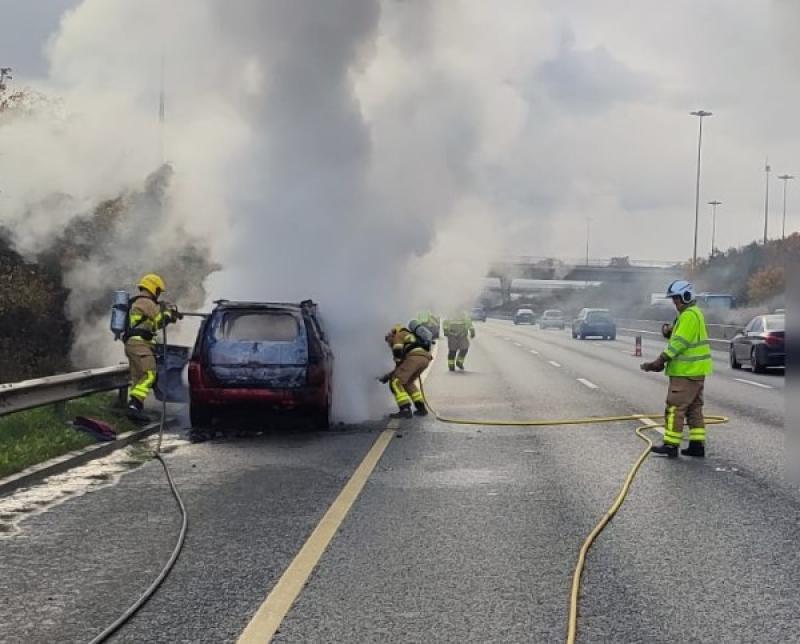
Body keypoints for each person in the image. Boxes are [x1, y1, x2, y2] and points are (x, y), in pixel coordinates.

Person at [640, 280, 712, 457]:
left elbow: (679, 343)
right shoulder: (694, 314)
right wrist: (669, 330)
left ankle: (671, 445)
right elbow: (679, 334)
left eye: (677, 299)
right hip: (696, 371)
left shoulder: (688, 316)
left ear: (687, 297)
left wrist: (660, 361)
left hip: (685, 373)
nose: (674, 303)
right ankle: (697, 445)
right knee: (694, 409)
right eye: (673, 299)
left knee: (675, 407)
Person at [124, 273, 181, 420]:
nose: (158, 294)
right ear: (153, 288)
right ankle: (135, 404)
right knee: (150, 374)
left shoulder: (138, 302)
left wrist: (170, 315)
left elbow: (153, 323)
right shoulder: (146, 302)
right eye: (158, 291)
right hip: (139, 344)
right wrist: (168, 313)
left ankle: (134, 410)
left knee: (138, 378)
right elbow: (158, 321)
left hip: (134, 344)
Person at [380, 322, 432, 418]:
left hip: (414, 357)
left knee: (395, 382)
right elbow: (402, 367)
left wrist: (391, 376)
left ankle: (405, 409)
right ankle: (421, 408)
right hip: (424, 359)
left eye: (388, 339)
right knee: (408, 382)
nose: (388, 343)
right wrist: (389, 375)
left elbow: (397, 352)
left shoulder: (398, 335)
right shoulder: (409, 336)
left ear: (392, 334)